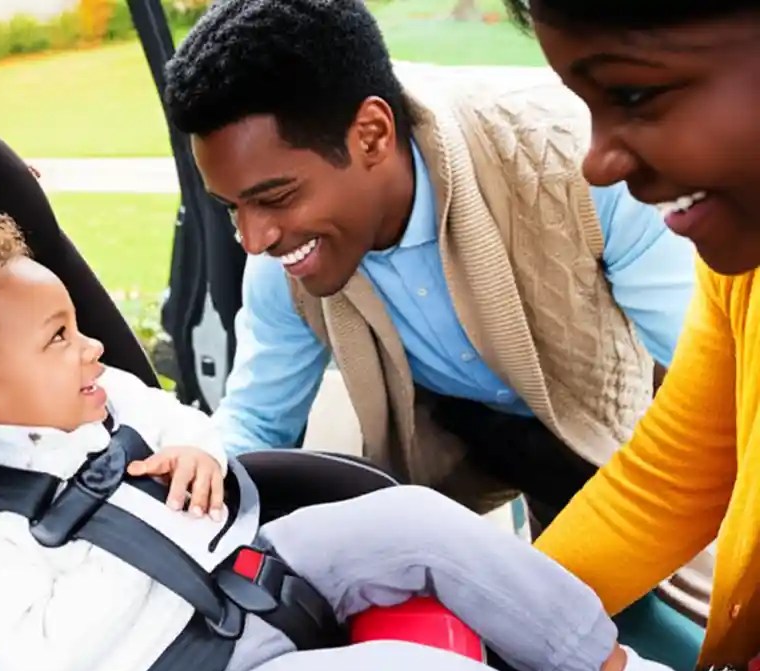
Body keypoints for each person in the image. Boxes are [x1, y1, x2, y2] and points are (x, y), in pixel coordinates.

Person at [0, 213, 734, 671]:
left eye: (78, 326)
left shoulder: (91, 391)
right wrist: (170, 537)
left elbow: (183, 421)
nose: (90, 351)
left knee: (420, 522)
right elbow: (31, 662)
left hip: (254, 566)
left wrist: (199, 451)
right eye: (58, 339)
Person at [161, 0, 697, 527]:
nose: (254, 240)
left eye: (275, 197)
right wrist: (203, 462)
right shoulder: (285, 266)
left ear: (371, 135)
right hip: (460, 450)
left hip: (630, 435)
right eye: (233, 207)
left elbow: (715, 378)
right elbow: (255, 421)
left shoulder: (577, 164)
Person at [494, 0, 760, 671]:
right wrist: (492, 620)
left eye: (636, 95)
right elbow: (669, 482)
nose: (599, 161)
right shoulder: (742, 268)